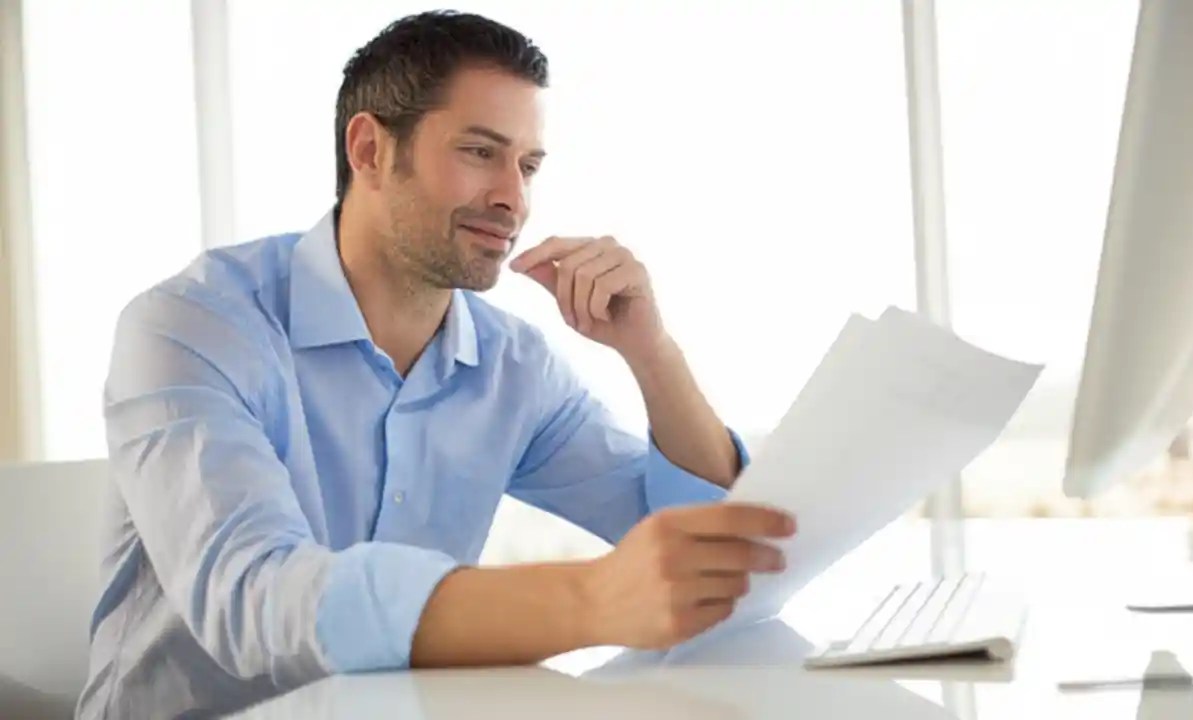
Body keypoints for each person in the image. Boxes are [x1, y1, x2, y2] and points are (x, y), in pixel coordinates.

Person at [77, 10, 795, 719]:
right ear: (369, 151)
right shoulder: (191, 326)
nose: (514, 198)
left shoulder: (514, 364)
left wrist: (652, 352)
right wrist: (591, 599)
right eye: (480, 152)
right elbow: (256, 600)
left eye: (528, 163)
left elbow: (713, 549)